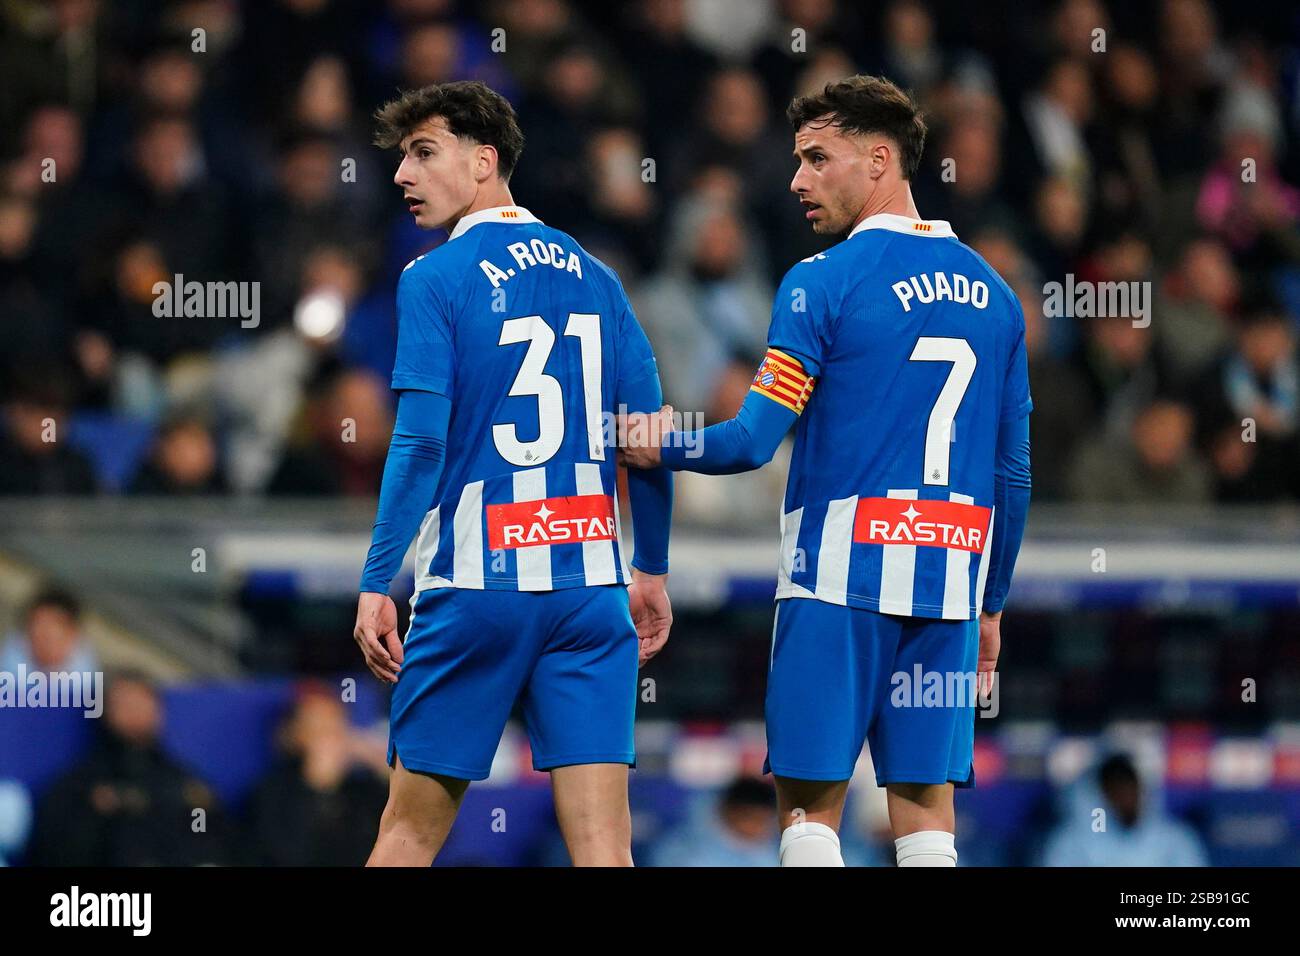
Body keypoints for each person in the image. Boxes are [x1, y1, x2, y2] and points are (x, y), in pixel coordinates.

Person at [623, 75, 1032, 867]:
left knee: (811, 813)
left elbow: (748, 441)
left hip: (837, 583)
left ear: (879, 159)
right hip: (948, 588)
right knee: (926, 822)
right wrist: (992, 605)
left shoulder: (820, 281)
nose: (796, 179)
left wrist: (655, 440)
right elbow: (1011, 474)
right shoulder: (997, 297)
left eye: (817, 158)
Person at [354, 81, 673, 867]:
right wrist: (652, 569)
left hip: (477, 590)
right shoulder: (600, 278)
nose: (403, 175)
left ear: (484, 160)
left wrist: (375, 579)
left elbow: (420, 445)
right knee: (604, 848)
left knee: (408, 833)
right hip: (589, 593)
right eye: (401, 158)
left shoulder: (434, 277)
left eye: (424, 153)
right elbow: (648, 441)